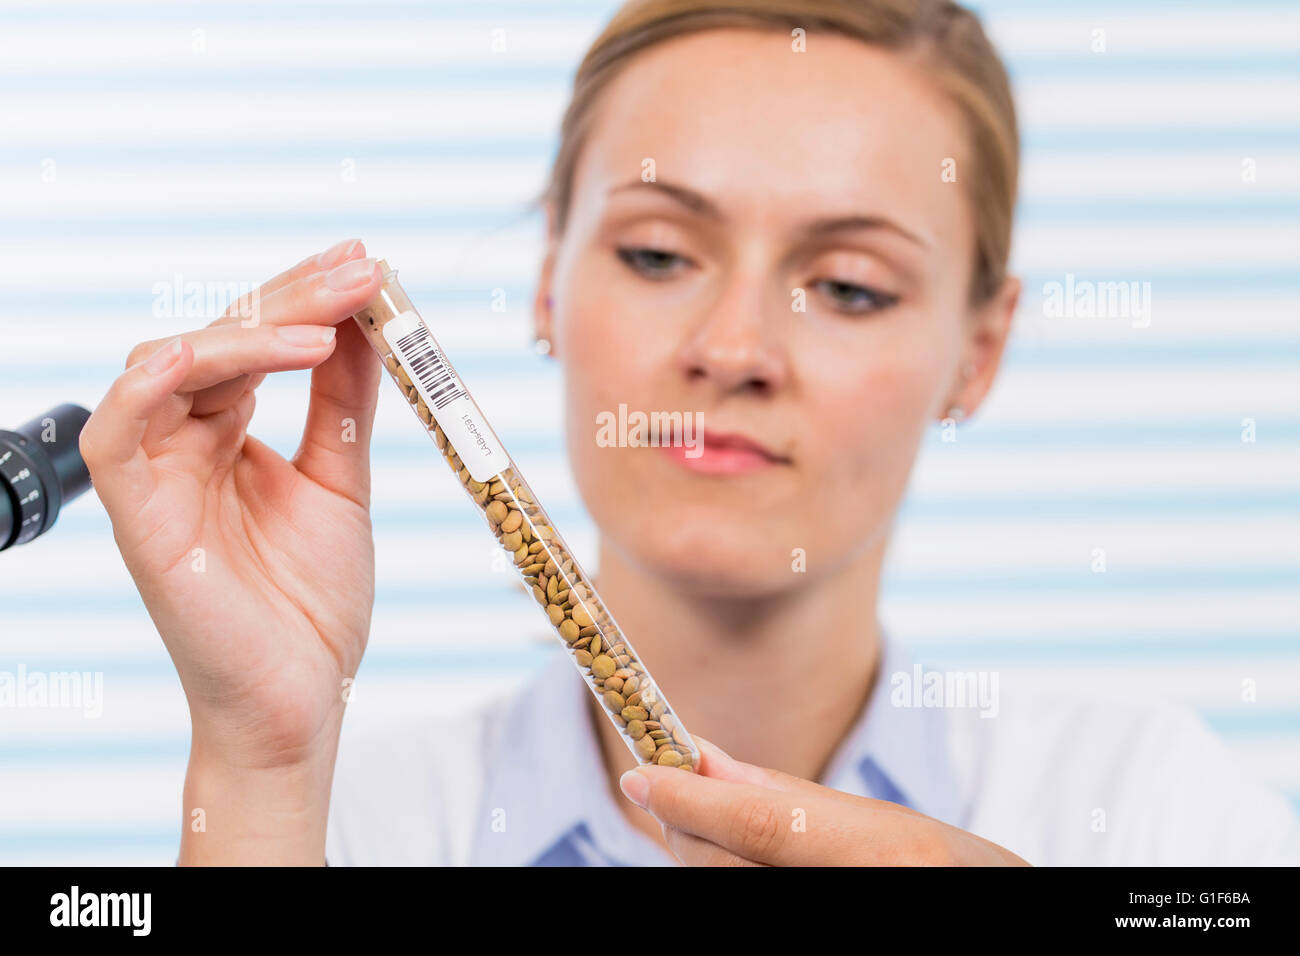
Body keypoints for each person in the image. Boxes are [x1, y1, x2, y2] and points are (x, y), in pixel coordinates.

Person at [81, 0, 1300, 866]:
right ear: (549, 282)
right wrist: (260, 763)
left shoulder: (1153, 814)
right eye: (658, 253)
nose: (733, 346)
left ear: (977, 351)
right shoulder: (346, 820)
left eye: (851, 285)